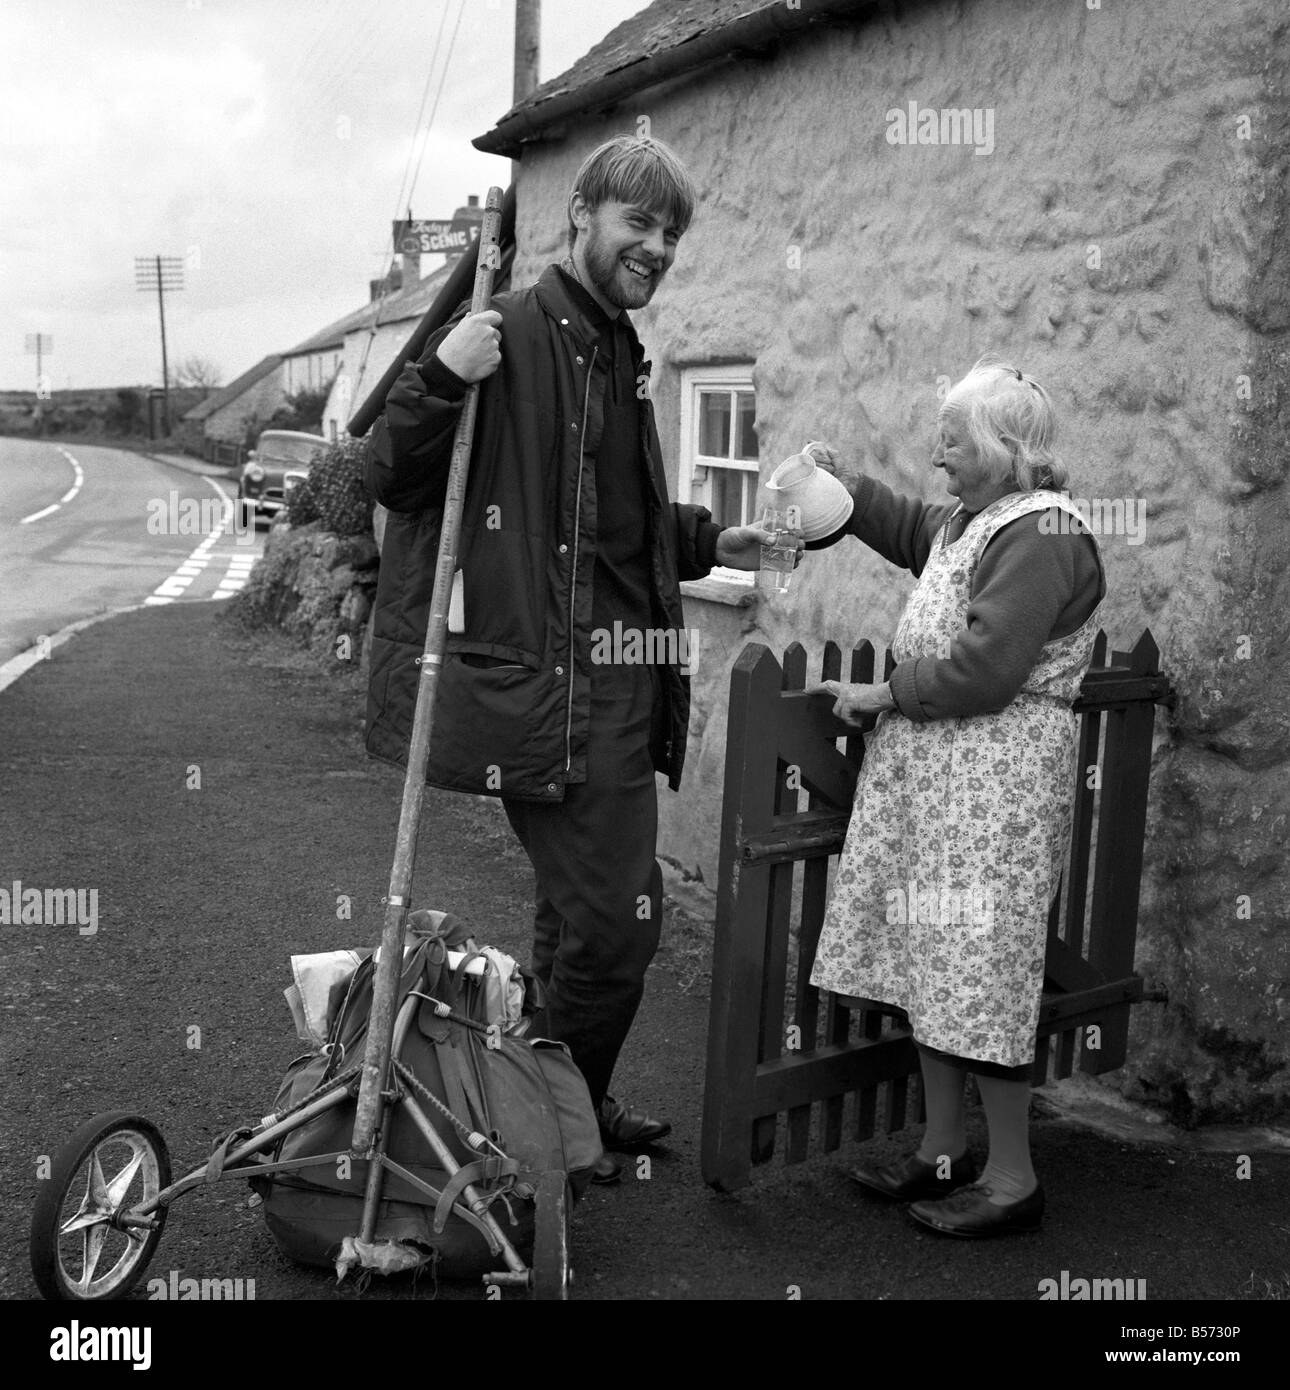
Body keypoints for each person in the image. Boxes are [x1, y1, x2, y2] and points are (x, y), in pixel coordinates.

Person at [364, 136, 789, 1181]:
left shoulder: (616, 351)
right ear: (582, 219)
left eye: (672, 232)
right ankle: (551, 1127)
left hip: (617, 677)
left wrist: (703, 539)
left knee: (576, 917)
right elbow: (383, 473)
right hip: (547, 687)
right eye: (638, 223)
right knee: (617, 927)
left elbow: (607, 520)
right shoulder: (507, 331)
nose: (657, 247)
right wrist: (433, 375)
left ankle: (560, 1106)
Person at [804, 356, 1106, 1236]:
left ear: (1004, 449)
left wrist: (884, 693)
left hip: (997, 789)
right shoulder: (979, 521)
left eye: (952, 443)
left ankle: (1012, 1181)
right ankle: (943, 1155)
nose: (937, 458)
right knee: (939, 968)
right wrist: (839, 483)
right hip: (945, 787)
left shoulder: (1041, 533)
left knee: (982, 974)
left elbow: (984, 672)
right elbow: (904, 522)